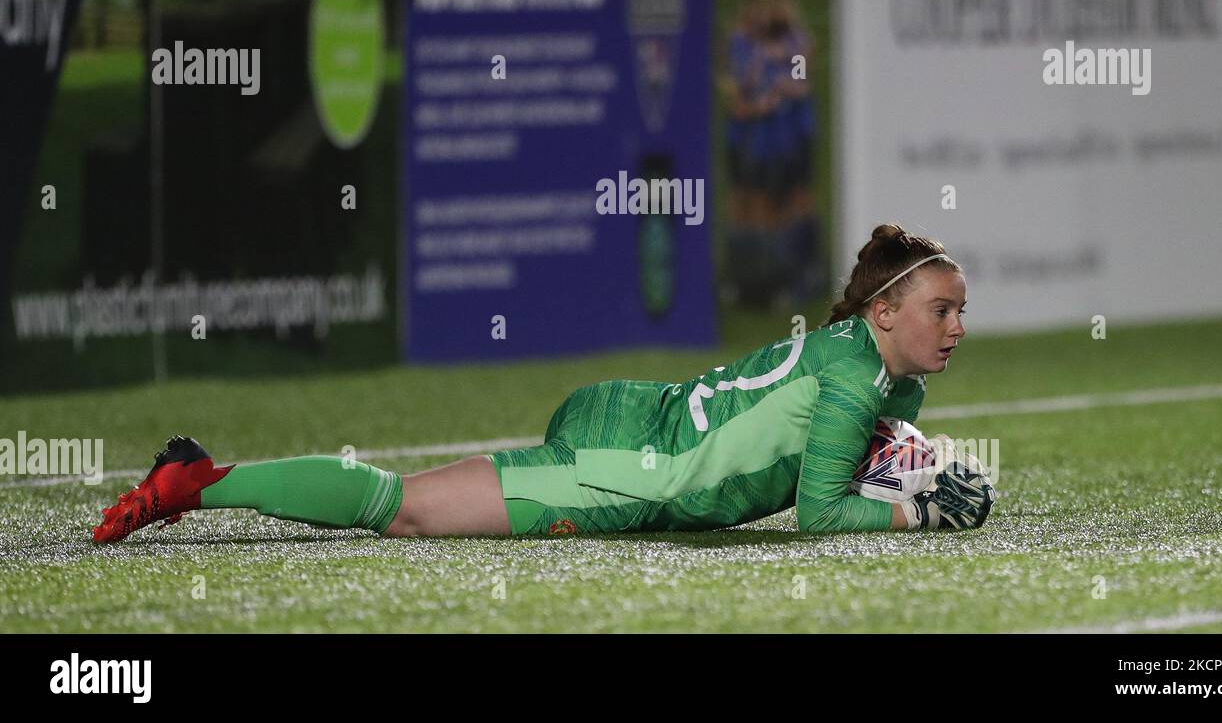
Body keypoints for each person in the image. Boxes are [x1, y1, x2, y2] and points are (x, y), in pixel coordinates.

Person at [93, 224, 995, 542]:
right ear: (883, 312)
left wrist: (908, 465)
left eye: (959, 310)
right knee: (402, 509)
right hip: (623, 466)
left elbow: (851, 457)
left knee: (406, 506)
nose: (956, 327)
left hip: (642, 411)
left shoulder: (878, 366)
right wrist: (920, 510)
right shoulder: (852, 379)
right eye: (941, 310)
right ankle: (198, 482)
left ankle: (200, 478)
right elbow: (822, 510)